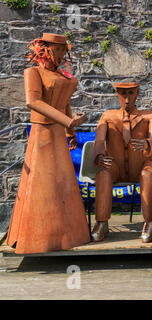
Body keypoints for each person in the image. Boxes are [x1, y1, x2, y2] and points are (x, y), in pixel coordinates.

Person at [6, 33, 90, 254]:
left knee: (62, 186)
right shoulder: (33, 72)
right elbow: (32, 101)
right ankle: (38, 238)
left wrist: (70, 131)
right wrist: (68, 122)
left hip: (58, 138)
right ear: (46, 49)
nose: (63, 54)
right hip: (42, 135)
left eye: (64, 50)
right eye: (59, 50)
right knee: (42, 186)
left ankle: (69, 235)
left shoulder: (62, 75)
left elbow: (65, 104)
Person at [91, 82, 152, 243]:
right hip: (118, 166)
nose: (127, 98)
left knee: (147, 174)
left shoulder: (150, 117)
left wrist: (147, 143)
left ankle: (150, 222)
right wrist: (100, 156)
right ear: (117, 95)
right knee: (103, 172)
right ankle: (102, 222)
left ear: (137, 93)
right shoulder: (108, 116)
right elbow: (99, 141)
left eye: (130, 93)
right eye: (123, 94)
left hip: (143, 163)